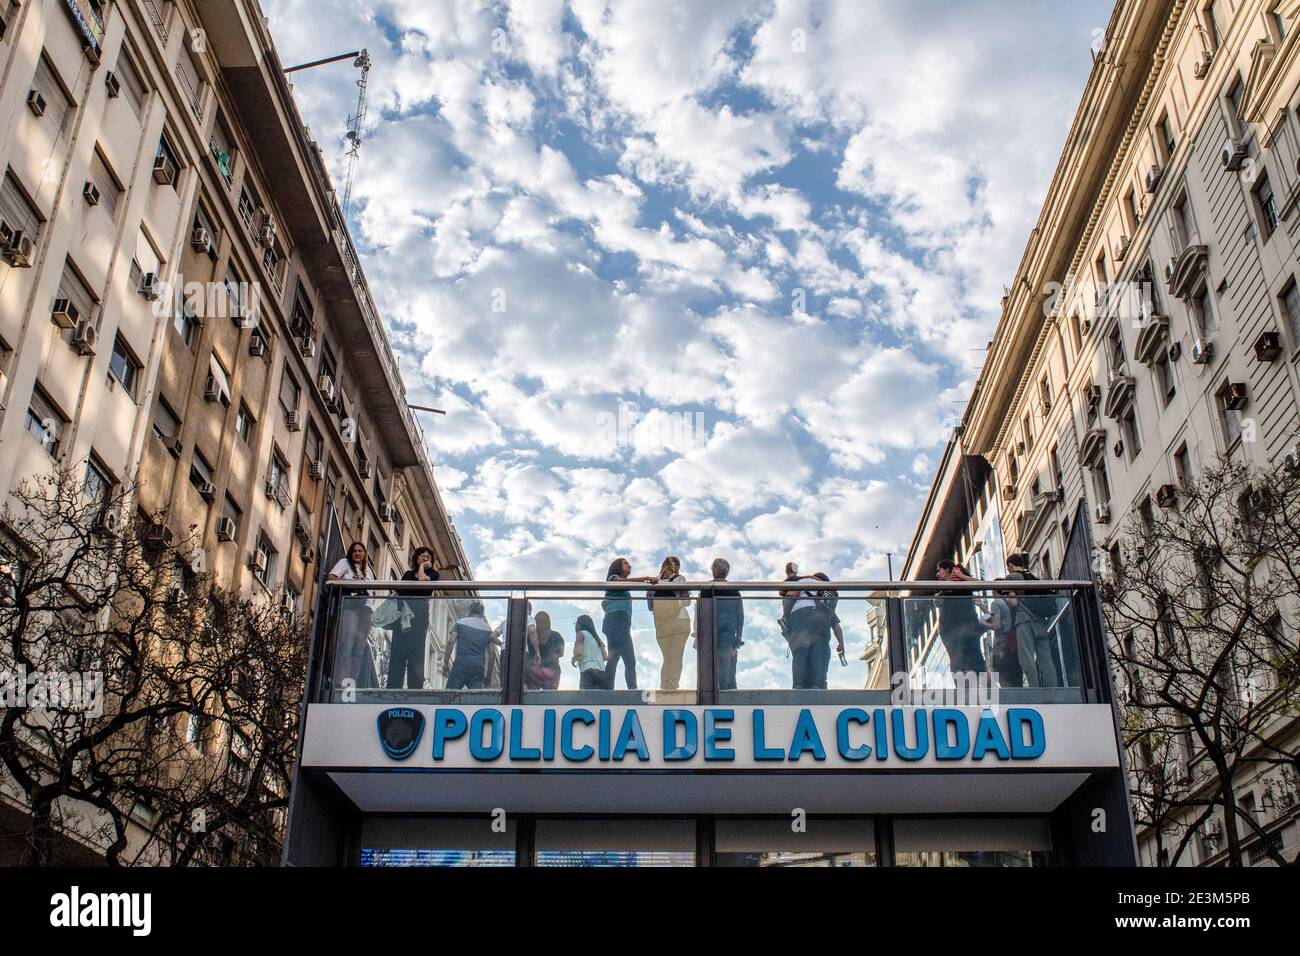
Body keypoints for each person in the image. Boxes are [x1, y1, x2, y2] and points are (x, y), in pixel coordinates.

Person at [601, 557, 658, 690]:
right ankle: (619, 690)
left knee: (621, 659)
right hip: (616, 622)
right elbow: (623, 583)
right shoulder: (613, 578)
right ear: (617, 566)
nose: (629, 565)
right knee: (623, 659)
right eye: (625, 563)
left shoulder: (619, 586)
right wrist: (647, 578)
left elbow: (604, 603)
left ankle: (613, 689)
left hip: (621, 623)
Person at [328, 542, 379, 688]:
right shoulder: (344, 563)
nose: (357, 553)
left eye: (361, 551)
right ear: (350, 553)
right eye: (355, 551)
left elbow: (372, 590)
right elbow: (332, 578)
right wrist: (352, 583)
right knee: (347, 643)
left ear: (364, 554)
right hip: (350, 607)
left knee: (359, 648)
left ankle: (351, 682)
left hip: (366, 611)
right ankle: (341, 681)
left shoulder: (367, 570)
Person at [1005, 552, 1060, 687]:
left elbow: (1013, 602)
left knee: (1026, 657)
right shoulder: (1033, 578)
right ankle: (1053, 689)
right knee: (1046, 659)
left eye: (1008, 567)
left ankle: (1034, 689)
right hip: (1041, 622)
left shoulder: (1011, 577)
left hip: (1024, 620)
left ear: (1011, 565)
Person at [389, 546, 438, 690]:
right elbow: (397, 593)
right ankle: (392, 687)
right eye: (422, 556)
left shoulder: (434, 575)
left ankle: (415, 689)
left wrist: (422, 567)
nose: (425, 558)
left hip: (419, 617)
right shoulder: (408, 574)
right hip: (402, 616)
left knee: (416, 653)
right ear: (416, 557)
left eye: (428, 557)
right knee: (398, 651)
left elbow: (423, 582)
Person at [783, 568, 839, 689]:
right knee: (817, 651)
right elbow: (833, 616)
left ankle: (798, 685)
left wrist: (786, 616)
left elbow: (790, 595)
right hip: (821, 619)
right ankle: (816, 685)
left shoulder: (806, 581)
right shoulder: (831, 589)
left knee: (800, 652)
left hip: (800, 614)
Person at [697, 558, 744, 691]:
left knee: (709, 663)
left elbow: (700, 611)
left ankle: (716, 689)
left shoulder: (706, 588)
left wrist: (698, 632)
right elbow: (740, 614)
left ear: (713, 571)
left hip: (709, 629)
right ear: (726, 572)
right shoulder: (734, 589)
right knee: (727, 662)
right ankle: (727, 689)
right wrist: (739, 635)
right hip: (728, 631)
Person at [934, 559, 987, 676]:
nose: (937, 574)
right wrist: (945, 586)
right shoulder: (940, 585)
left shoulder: (962, 579)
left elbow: (980, 585)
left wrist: (961, 576)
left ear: (947, 569)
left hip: (968, 624)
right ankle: (962, 685)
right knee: (956, 658)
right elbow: (937, 603)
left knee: (974, 655)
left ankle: (982, 684)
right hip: (950, 627)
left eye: (939, 570)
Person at [650, 556, 692, 691]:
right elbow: (687, 602)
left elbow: (651, 606)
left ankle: (663, 685)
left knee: (666, 657)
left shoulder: (653, 583)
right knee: (677, 655)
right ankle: (673, 685)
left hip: (661, 624)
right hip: (680, 621)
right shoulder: (680, 579)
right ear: (677, 567)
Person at [443, 600, 502, 690]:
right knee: (474, 698)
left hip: (461, 664)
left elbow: (451, 642)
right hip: (478, 667)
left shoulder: (460, 623)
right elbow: (492, 654)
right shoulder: (489, 630)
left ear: (470, 611)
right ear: (482, 613)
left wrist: (446, 663)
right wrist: (488, 676)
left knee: (450, 695)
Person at [978, 582, 1022, 688]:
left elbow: (996, 625)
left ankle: (1008, 702)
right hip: (1015, 644)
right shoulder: (1010, 603)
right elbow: (996, 617)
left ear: (994, 591)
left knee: (1003, 678)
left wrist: (983, 623)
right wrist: (982, 607)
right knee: (1016, 678)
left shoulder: (996, 603)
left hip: (1002, 644)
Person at [524, 611, 564, 690]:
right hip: (552, 671)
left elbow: (526, 653)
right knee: (549, 698)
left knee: (533, 697)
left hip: (534, 671)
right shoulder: (556, 635)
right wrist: (550, 657)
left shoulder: (530, 637)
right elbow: (561, 653)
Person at [572, 614, 608, 690]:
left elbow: (579, 652)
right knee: (600, 700)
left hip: (588, 671)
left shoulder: (581, 634)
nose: (575, 626)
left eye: (576, 623)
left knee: (585, 700)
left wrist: (573, 660)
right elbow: (605, 657)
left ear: (580, 624)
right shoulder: (597, 638)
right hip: (602, 672)